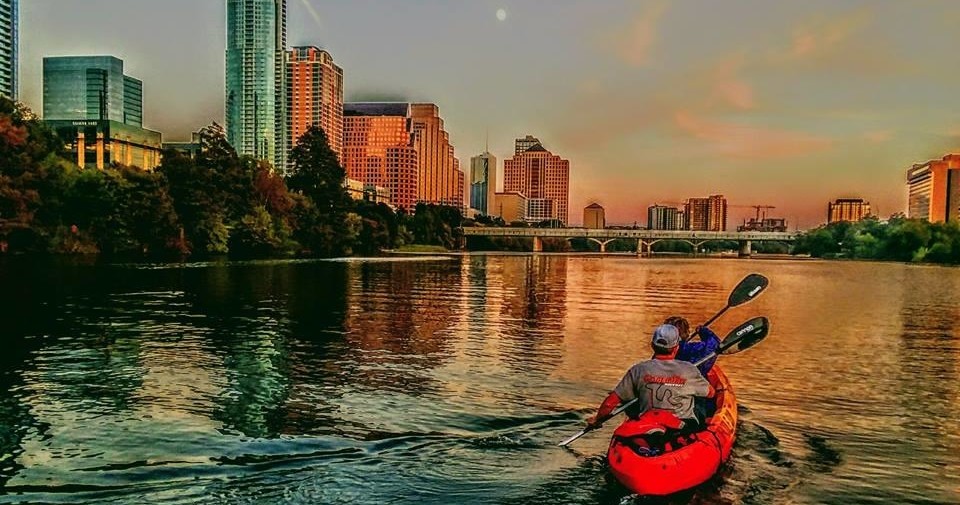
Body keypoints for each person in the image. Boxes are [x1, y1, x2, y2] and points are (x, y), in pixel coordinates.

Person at [587, 324, 714, 435]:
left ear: (652, 345)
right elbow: (710, 393)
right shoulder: (689, 369)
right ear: (676, 348)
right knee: (699, 400)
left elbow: (610, 403)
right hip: (682, 426)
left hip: (648, 423)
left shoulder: (638, 369)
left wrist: (597, 419)